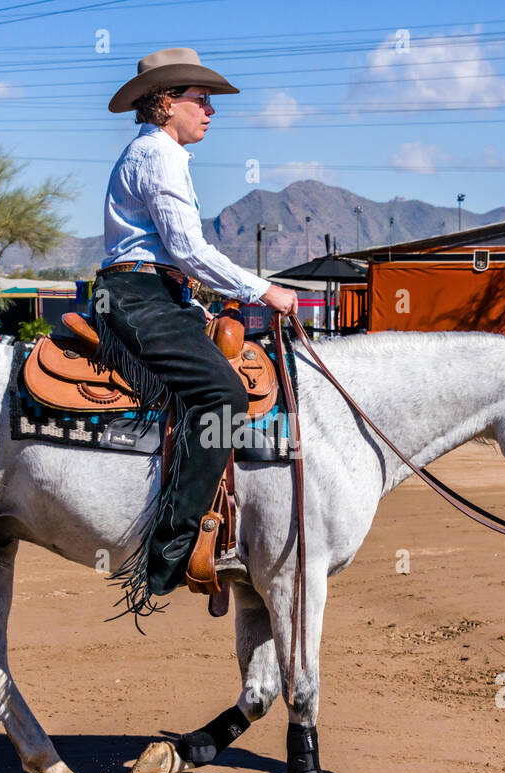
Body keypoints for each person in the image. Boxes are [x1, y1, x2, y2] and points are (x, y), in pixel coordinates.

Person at [92, 47, 299, 616]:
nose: (210, 109)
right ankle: (174, 549)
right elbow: (187, 248)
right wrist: (264, 291)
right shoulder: (160, 156)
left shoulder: (161, 154)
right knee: (223, 394)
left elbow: (177, 258)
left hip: (158, 292)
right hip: (136, 296)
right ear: (164, 104)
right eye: (198, 99)